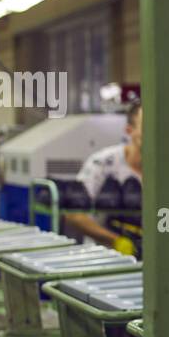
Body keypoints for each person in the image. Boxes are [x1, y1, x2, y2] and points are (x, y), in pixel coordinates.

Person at [64, 102, 143, 254]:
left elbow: (168, 214)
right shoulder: (103, 163)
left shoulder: (165, 170)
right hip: (104, 259)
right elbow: (74, 214)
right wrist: (115, 241)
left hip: (149, 261)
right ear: (129, 131)